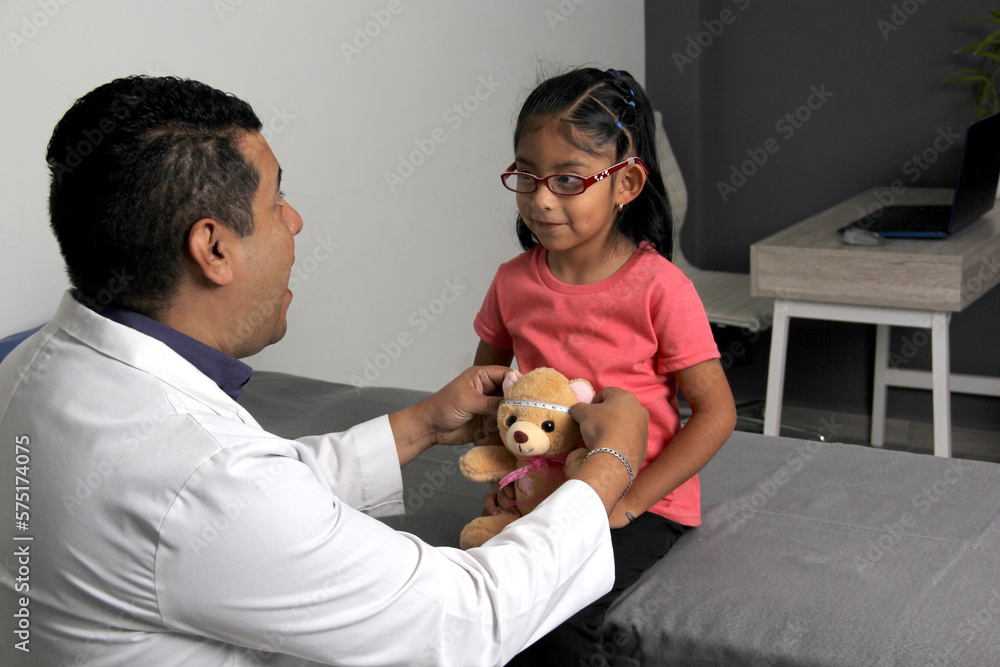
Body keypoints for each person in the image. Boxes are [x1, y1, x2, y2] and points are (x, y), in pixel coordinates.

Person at [0, 75, 651, 667]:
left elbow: (255, 494)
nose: (295, 220)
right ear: (214, 248)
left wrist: (420, 425)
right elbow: (469, 618)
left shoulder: (28, 369)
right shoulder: (202, 476)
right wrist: (610, 463)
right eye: (277, 199)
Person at [473, 67, 738, 665]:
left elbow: (716, 413)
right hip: (545, 489)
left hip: (640, 499)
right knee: (483, 598)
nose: (541, 198)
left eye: (568, 180)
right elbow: (489, 395)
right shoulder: (511, 283)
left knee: (555, 619)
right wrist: (504, 483)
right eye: (527, 176)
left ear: (626, 183)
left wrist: (630, 503)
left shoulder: (660, 289)